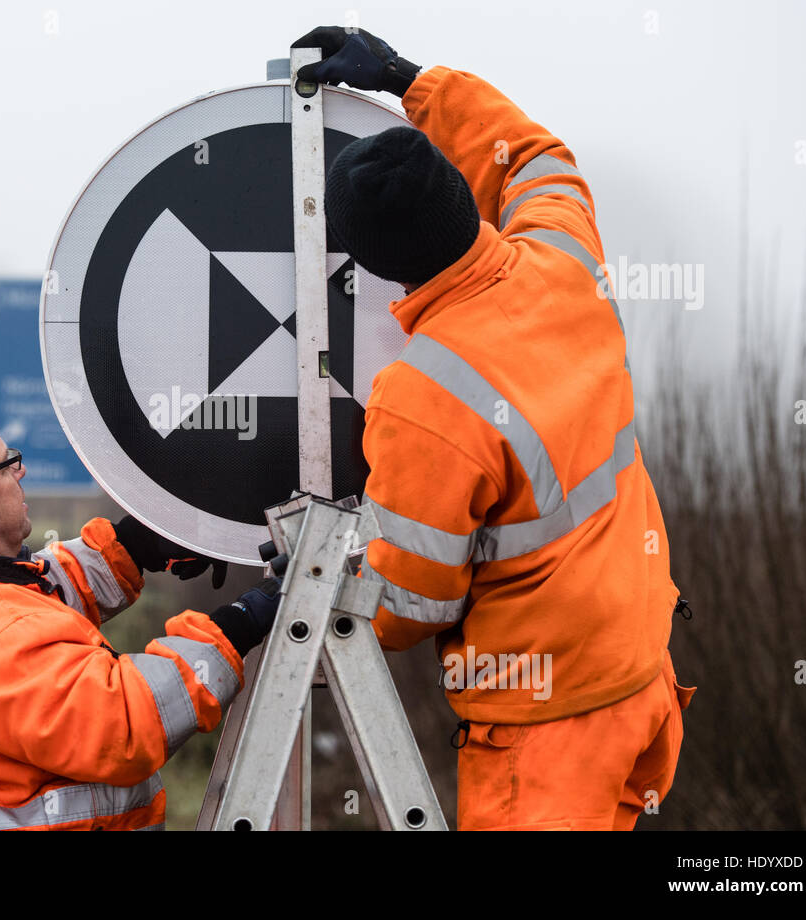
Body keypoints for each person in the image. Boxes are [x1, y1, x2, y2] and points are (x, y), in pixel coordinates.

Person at [293, 26, 696, 830]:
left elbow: (407, 606)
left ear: (369, 264)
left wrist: (315, 566)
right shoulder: (559, 256)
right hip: (643, 681)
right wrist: (408, 77)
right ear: (455, 188)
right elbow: (538, 155)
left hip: (547, 739)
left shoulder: (421, 395)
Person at [0, 393, 280, 830]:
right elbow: (125, 722)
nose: (22, 472)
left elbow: (30, 597)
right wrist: (243, 620)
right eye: (7, 464)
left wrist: (136, 545)